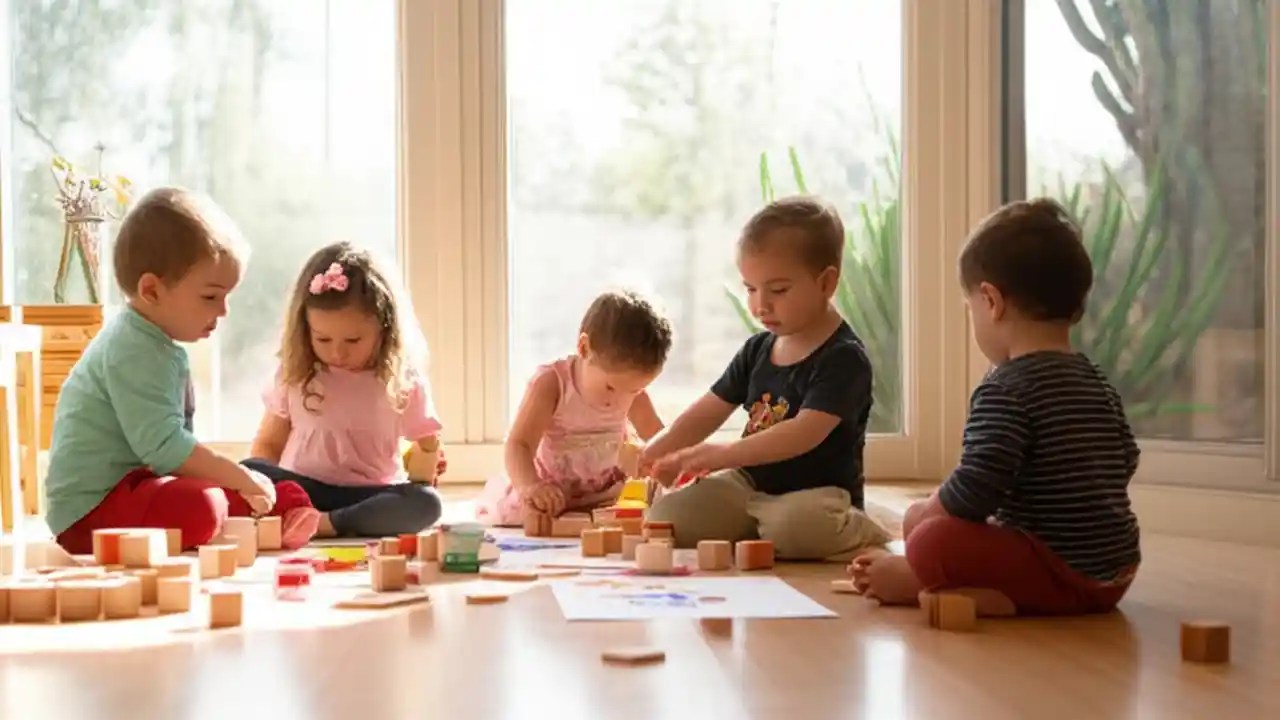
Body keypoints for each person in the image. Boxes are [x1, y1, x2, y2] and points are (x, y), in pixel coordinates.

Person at [850, 198, 1141, 616]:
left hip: (1059, 574)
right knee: (944, 526)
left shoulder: (1007, 388)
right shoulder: (1095, 380)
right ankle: (995, 592)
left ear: (990, 301)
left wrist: (924, 515)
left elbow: (976, 488)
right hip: (1115, 574)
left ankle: (918, 584)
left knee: (930, 537)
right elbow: (1126, 458)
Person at [46, 187, 320, 554]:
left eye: (227, 297)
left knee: (271, 486)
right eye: (210, 296)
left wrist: (244, 481)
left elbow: (172, 459)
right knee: (205, 504)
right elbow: (166, 451)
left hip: (141, 488)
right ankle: (251, 518)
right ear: (151, 290)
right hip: (91, 512)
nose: (222, 311)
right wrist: (237, 478)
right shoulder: (132, 349)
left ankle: (278, 511)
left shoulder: (157, 343)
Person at [639, 196, 890, 559]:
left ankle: (860, 529)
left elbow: (802, 433)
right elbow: (708, 410)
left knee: (795, 526)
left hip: (814, 495)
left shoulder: (843, 358)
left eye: (778, 290)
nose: (760, 305)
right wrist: (658, 449)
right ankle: (760, 528)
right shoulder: (758, 350)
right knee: (669, 517)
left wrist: (722, 454)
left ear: (826, 283)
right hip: (750, 485)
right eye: (751, 289)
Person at [244, 242, 444, 537]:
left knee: (426, 503)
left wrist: (425, 466)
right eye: (323, 339)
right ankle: (311, 517)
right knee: (249, 468)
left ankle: (326, 524)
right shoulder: (296, 373)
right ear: (305, 329)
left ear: (385, 329)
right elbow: (268, 445)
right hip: (303, 488)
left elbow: (426, 445)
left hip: (370, 495)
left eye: (353, 341)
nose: (337, 353)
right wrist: (259, 489)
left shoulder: (401, 379)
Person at [477, 290, 673, 525]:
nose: (621, 398)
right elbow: (519, 444)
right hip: (552, 492)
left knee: (656, 500)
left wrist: (665, 462)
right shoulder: (552, 384)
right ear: (584, 348)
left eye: (635, 390)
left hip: (606, 492)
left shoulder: (632, 392)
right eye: (611, 387)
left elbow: (659, 438)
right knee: (523, 513)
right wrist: (531, 486)